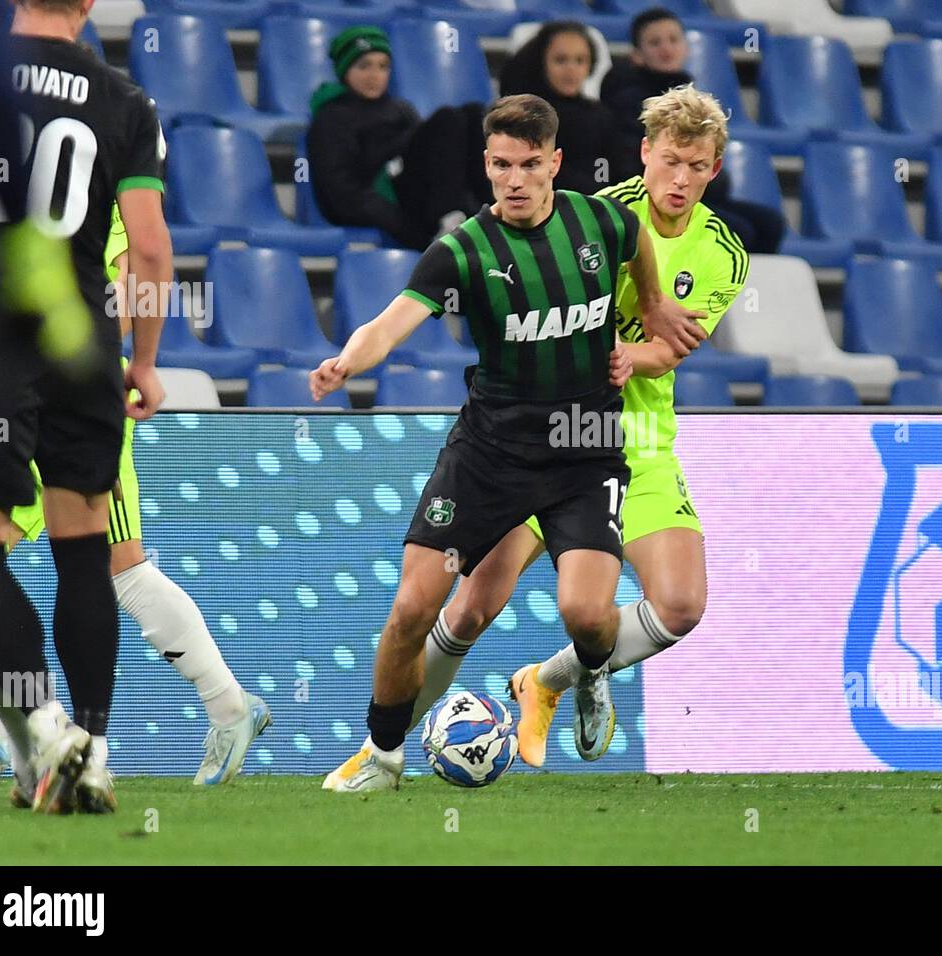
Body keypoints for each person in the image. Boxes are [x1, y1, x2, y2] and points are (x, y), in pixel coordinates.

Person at [325, 85, 746, 773]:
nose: (681, 178)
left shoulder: (723, 252)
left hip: (626, 438)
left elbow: (672, 346)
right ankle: (383, 753)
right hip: (535, 434)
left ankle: (559, 676)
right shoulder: (600, 214)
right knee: (466, 610)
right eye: (671, 160)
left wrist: (629, 353)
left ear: (714, 170)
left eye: (697, 167)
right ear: (644, 154)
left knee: (676, 605)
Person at [0, 206, 271, 794]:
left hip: (82, 395)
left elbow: (128, 299)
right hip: (7, 397)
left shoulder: (102, 194)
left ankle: (228, 706)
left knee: (118, 567)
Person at [0, 0, 169, 814]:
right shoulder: (126, 101)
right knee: (84, 554)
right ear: (88, 4)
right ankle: (96, 753)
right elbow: (147, 246)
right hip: (82, 346)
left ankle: (43, 733)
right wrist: (142, 360)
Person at [600, 7, 783, 254]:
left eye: (673, 40)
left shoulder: (691, 97)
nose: (666, 48)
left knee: (770, 224)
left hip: (696, 191)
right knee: (740, 231)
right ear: (637, 56)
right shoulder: (627, 101)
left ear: (686, 47)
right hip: (657, 197)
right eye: (655, 42)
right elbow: (630, 165)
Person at [306, 25, 492, 251]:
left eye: (383, 66)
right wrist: (406, 228)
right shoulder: (331, 118)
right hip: (391, 198)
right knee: (447, 119)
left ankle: (492, 215)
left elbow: (438, 160)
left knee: (474, 114)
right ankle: (448, 219)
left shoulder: (400, 108)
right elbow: (344, 191)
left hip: (418, 192)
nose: (374, 75)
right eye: (364, 66)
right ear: (345, 69)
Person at [498, 21, 626, 195]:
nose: (571, 69)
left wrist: (602, 191)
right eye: (560, 60)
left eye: (580, 60)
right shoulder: (522, 118)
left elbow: (606, 167)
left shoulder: (601, 116)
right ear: (540, 63)